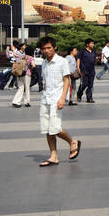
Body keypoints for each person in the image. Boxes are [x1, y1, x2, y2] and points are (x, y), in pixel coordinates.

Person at [37, 37, 81, 167]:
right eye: (44, 48)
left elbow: (66, 80)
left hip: (57, 98)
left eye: (49, 48)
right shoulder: (44, 63)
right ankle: (53, 156)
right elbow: (45, 80)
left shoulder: (62, 61)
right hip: (45, 98)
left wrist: (63, 98)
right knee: (47, 130)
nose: (46, 51)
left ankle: (72, 142)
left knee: (55, 129)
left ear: (54, 47)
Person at [9, 41, 32, 108]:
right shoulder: (30, 58)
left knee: (20, 88)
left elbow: (15, 55)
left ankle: (16, 101)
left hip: (19, 73)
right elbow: (33, 65)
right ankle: (27, 102)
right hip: (27, 74)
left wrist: (12, 50)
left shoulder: (21, 56)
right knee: (27, 88)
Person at [75, 38, 97, 103]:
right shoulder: (82, 51)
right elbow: (78, 59)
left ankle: (89, 98)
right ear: (87, 44)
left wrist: (96, 60)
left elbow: (93, 59)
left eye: (93, 43)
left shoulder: (93, 51)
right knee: (84, 84)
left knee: (90, 85)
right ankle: (79, 94)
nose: (93, 44)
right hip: (84, 70)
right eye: (92, 43)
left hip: (92, 70)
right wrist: (78, 67)